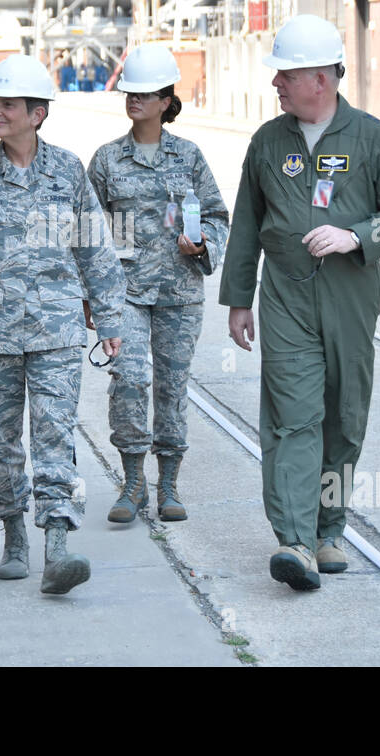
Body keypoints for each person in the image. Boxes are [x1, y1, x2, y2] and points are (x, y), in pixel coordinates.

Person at [218, 15, 380, 591]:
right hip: (285, 296)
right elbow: (247, 224)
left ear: (321, 79)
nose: (276, 85)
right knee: (292, 417)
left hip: (350, 296)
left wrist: (356, 236)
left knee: (344, 414)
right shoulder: (267, 142)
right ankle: (295, 541)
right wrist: (238, 298)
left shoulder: (373, 138)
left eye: (285, 74)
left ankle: (329, 529)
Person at [0, 53, 126, 595]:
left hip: (56, 331)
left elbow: (95, 248)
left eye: (8, 105)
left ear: (38, 113)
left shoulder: (69, 172)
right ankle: (13, 533)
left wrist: (108, 315)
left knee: (55, 436)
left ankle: (57, 545)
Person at [87, 45, 228, 524]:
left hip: (179, 293)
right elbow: (85, 229)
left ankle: (168, 484)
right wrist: (91, 294)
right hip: (124, 291)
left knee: (171, 387)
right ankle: (132, 483)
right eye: (129, 91)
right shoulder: (106, 159)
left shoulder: (189, 157)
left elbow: (216, 216)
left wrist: (203, 243)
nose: (133, 100)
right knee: (128, 380)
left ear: (167, 100)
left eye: (145, 93)